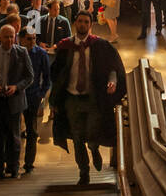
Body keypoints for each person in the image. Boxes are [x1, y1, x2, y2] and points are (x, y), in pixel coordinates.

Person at [50, 10, 126, 186]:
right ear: (75, 23)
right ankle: (83, 172)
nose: (82, 24)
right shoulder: (65, 46)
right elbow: (56, 74)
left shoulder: (100, 46)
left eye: (86, 22)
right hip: (72, 98)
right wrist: (54, 100)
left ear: (90, 25)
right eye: (80, 21)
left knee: (92, 133)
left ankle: (94, 148)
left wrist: (112, 81)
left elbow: (113, 68)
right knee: (77, 138)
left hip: (92, 98)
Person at [0, 22, 34, 181]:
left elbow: (29, 77)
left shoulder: (21, 52)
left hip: (14, 100)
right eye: (6, 37)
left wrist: (16, 87)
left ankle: (14, 168)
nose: (10, 40)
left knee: (14, 136)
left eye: (12, 37)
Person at [19, 26, 51, 174]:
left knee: (32, 130)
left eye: (34, 39)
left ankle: (29, 163)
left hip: (33, 96)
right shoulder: (17, 53)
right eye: (29, 39)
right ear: (21, 39)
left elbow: (47, 77)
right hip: (17, 94)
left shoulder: (41, 54)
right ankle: (13, 162)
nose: (32, 42)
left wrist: (41, 94)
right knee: (14, 128)